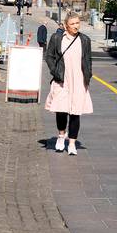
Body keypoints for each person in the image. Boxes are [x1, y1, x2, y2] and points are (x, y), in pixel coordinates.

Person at [44, 12, 93, 156]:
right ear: (66, 25)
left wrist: (88, 75)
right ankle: (61, 136)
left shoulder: (85, 40)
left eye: (77, 23)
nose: (76, 26)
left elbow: (88, 59)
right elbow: (49, 56)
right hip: (62, 79)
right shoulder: (57, 38)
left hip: (78, 80)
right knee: (61, 110)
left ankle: (72, 143)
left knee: (75, 113)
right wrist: (55, 72)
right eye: (72, 24)